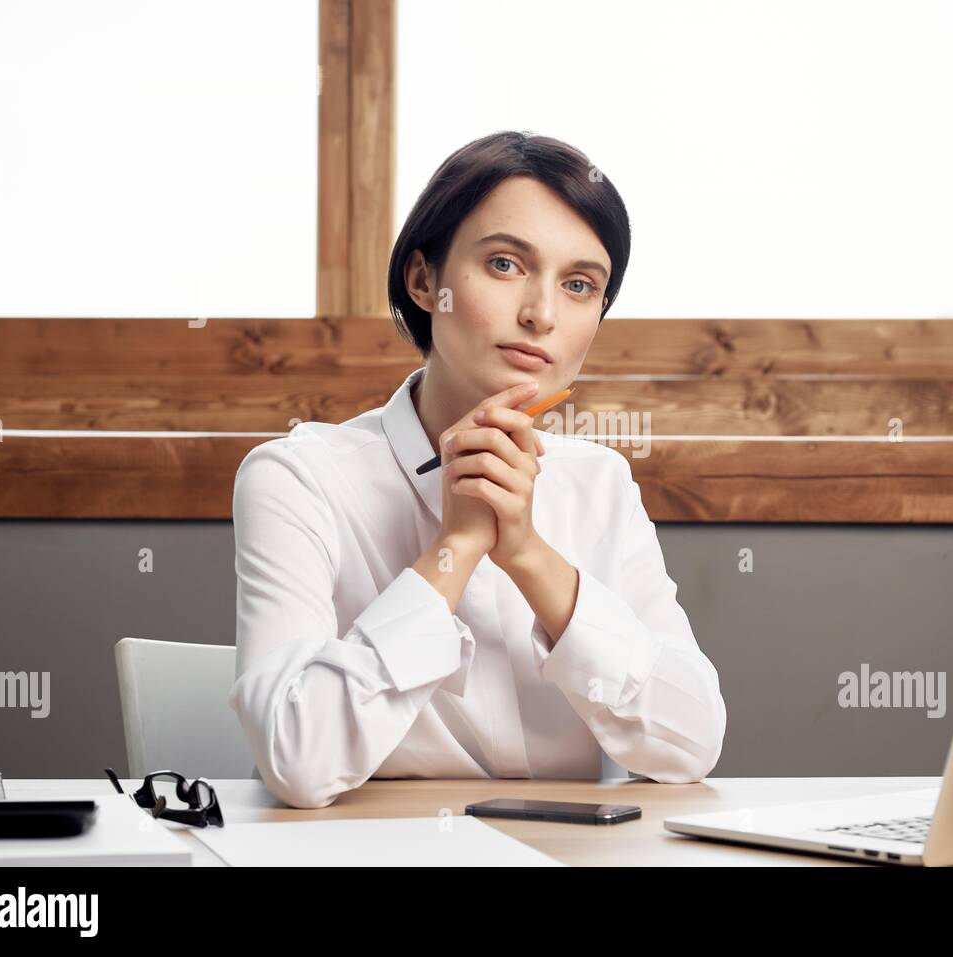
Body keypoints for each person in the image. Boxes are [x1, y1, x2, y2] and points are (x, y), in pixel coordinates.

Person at [228, 131, 726, 809]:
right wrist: (457, 547)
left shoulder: (598, 483)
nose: (541, 314)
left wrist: (525, 552)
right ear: (424, 280)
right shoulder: (298, 477)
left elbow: (691, 741)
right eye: (504, 264)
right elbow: (298, 759)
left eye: (580, 285)